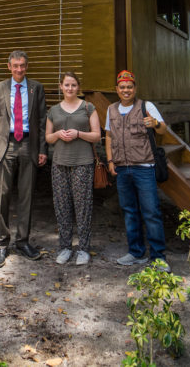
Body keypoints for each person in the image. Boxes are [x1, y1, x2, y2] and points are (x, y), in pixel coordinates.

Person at [105, 70, 169, 271]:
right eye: (122, 87)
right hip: (122, 169)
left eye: (129, 87)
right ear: (117, 89)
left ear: (135, 88)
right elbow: (109, 136)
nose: (126, 90)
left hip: (144, 168)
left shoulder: (146, 106)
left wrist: (155, 123)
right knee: (129, 212)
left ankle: (159, 257)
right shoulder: (111, 109)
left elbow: (163, 129)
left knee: (151, 212)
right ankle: (136, 252)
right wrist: (110, 161)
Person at [0, 50, 47, 267]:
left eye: (22, 65)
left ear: (27, 66)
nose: (19, 69)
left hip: (29, 144)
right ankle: (2, 243)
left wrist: (42, 149)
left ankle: (23, 241)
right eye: (15, 65)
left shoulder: (36, 88)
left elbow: (42, 120)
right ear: (9, 67)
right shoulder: (0, 87)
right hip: (6, 144)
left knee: (26, 195)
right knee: (2, 194)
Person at [45, 72, 101, 265]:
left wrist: (78, 133)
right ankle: (65, 247)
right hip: (59, 163)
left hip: (83, 163)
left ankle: (83, 249)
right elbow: (48, 138)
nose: (70, 88)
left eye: (73, 85)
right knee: (62, 206)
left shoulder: (88, 107)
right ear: (61, 86)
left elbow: (97, 136)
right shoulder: (53, 110)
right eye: (67, 85)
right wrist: (58, 134)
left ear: (78, 87)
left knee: (83, 207)